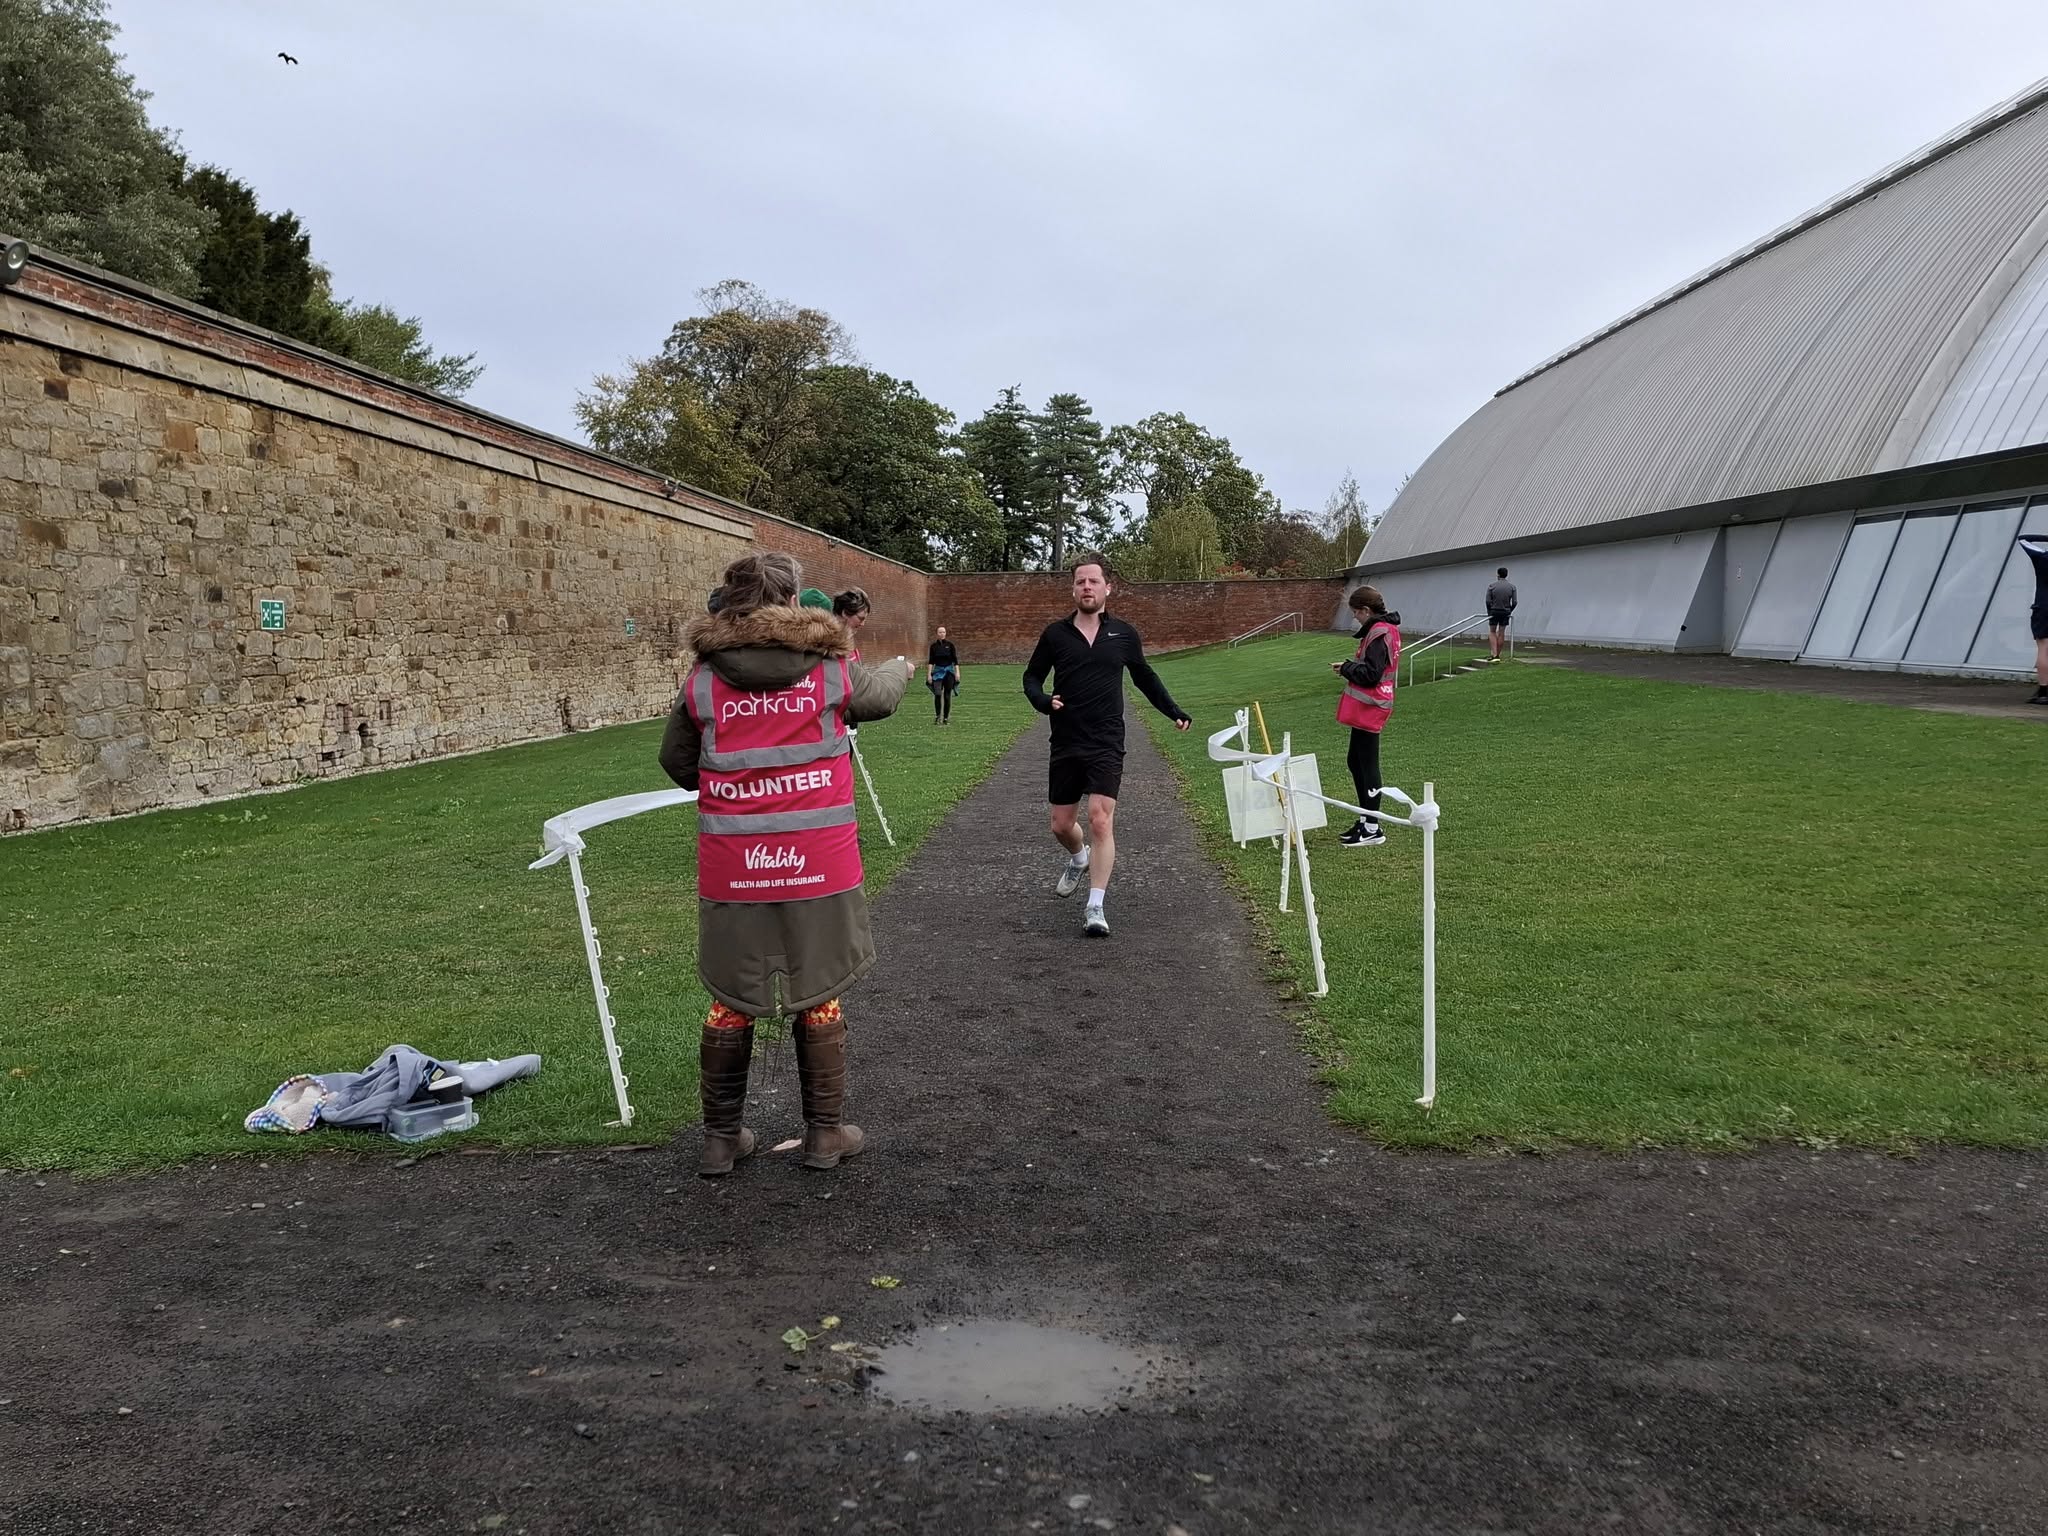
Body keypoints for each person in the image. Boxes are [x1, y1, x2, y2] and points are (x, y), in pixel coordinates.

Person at [659, 552, 913, 1177]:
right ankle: (824, 1135)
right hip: (818, 864)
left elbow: (677, 761)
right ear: (794, 600)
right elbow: (881, 698)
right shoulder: (829, 671)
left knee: (732, 993)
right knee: (820, 988)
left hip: (735, 865)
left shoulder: (702, 679)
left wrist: (738, 785)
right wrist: (900, 668)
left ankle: (721, 1140)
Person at [1022, 555, 1191, 938]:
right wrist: (1042, 700)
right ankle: (1078, 857)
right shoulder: (1055, 634)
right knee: (1061, 824)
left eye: (1093, 581)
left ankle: (1095, 906)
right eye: (1080, 581)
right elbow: (1031, 676)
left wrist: (1173, 711)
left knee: (1100, 818)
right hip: (1067, 739)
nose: (1087, 587)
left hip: (1106, 739)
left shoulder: (1124, 634)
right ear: (1073, 589)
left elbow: (1145, 677)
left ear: (1107, 588)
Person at [1331, 584, 1402, 848]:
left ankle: (1372, 827)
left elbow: (1372, 674)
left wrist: (1347, 668)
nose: (1355, 618)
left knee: (1368, 765)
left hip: (1372, 705)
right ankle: (1365, 818)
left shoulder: (1380, 632)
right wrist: (1349, 667)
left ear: (1366, 610)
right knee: (1355, 761)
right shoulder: (1382, 630)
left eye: (1356, 613)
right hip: (1368, 705)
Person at [2020, 534, 2048, 705]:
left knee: (2044, 648)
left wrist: (2046, 538)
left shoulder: (2042, 557)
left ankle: (2044, 692)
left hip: (2044, 607)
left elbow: (2023, 539)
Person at [927, 625, 961, 724]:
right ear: (937, 634)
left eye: (943, 632)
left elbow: (955, 660)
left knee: (947, 695)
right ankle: (938, 716)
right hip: (938, 672)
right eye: (940, 632)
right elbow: (931, 661)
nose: (942, 634)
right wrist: (929, 674)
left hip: (949, 672)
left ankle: (946, 718)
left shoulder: (950, 645)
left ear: (945, 633)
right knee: (937, 693)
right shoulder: (933, 646)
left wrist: (957, 673)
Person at [1485, 566, 1517, 662]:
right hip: (1506, 611)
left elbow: (1488, 601)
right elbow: (1515, 602)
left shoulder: (1492, 586)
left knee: (1492, 631)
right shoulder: (1512, 587)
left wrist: (1489, 611)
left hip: (1494, 610)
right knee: (1501, 632)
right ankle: (1498, 655)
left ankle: (1494, 654)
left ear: (1498, 575)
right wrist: (1510, 610)